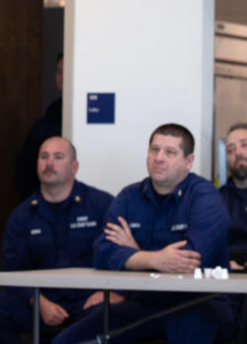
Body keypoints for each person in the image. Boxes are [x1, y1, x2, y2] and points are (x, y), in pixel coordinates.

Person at [53, 123, 236, 344]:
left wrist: (133, 252)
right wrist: (154, 258)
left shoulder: (205, 197)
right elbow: (102, 252)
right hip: (144, 302)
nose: (159, 158)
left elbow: (188, 262)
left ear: (188, 162)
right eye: (154, 150)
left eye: (170, 152)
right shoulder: (130, 196)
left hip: (199, 304)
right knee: (68, 340)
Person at [0, 136, 115, 344]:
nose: (49, 163)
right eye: (44, 157)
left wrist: (111, 292)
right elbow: (13, 272)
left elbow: (120, 254)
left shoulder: (102, 205)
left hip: (88, 301)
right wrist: (39, 302)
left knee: (110, 315)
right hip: (41, 300)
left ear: (74, 167)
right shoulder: (22, 215)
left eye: (58, 157)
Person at [14, 53, 63, 201]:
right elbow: (24, 173)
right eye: (59, 71)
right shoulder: (45, 124)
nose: (62, 77)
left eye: (66, 71)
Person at [220, 122, 247, 270]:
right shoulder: (215, 199)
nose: (237, 152)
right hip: (228, 278)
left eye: (245, 145)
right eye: (231, 149)